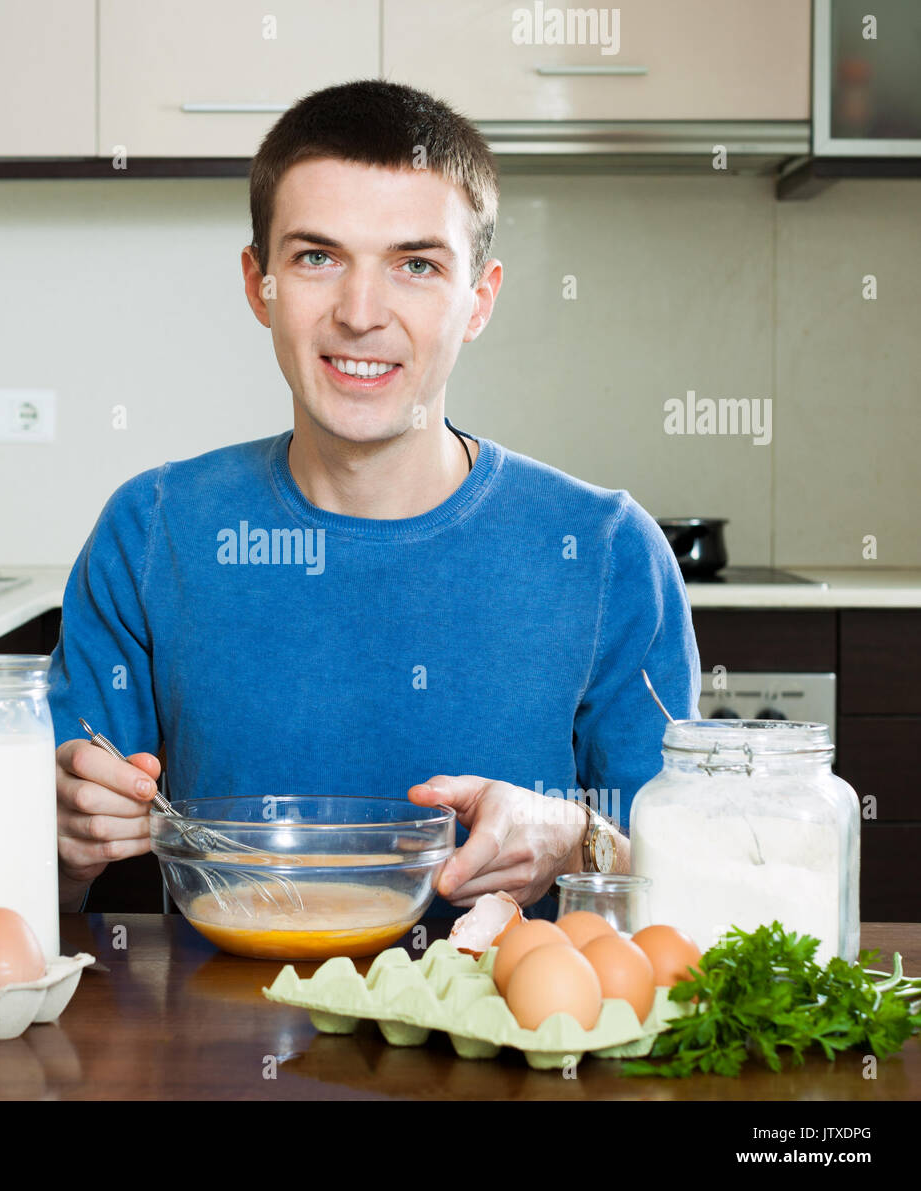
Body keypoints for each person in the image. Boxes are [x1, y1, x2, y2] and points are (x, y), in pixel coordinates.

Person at [49, 79, 699, 917]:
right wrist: (63, 839)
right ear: (260, 285)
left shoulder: (608, 550)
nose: (361, 314)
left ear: (478, 302)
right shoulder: (152, 531)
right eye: (317, 258)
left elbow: (680, 887)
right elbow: (41, 886)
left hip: (518, 1041)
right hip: (224, 1036)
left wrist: (579, 837)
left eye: (417, 265)